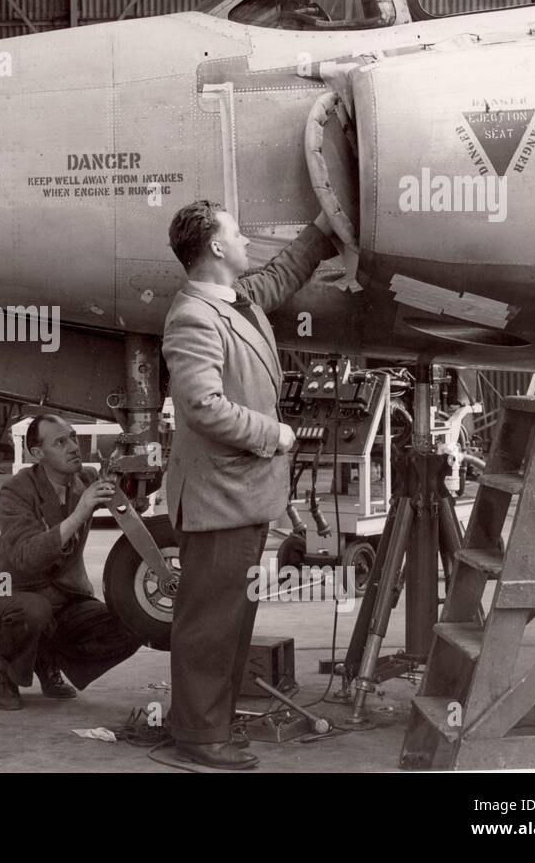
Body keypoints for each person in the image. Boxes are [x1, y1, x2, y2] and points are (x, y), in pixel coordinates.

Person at [162, 202, 336, 768]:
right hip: (219, 497)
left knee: (232, 620)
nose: (247, 241)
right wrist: (277, 434)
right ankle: (198, 735)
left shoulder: (237, 301)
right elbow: (202, 407)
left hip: (242, 494)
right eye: (236, 233)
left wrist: (324, 231)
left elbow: (279, 275)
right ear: (214, 248)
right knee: (209, 624)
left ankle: (213, 722)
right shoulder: (194, 317)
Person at [0, 413, 143, 710]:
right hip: (9, 595)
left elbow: (132, 497)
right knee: (34, 610)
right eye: (60, 442)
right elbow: (26, 557)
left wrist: (137, 487)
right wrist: (80, 512)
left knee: (134, 622)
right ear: (37, 453)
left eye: (72, 437)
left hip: (66, 597)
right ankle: (5, 673)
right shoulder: (16, 490)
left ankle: (48, 658)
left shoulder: (85, 478)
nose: (74, 446)